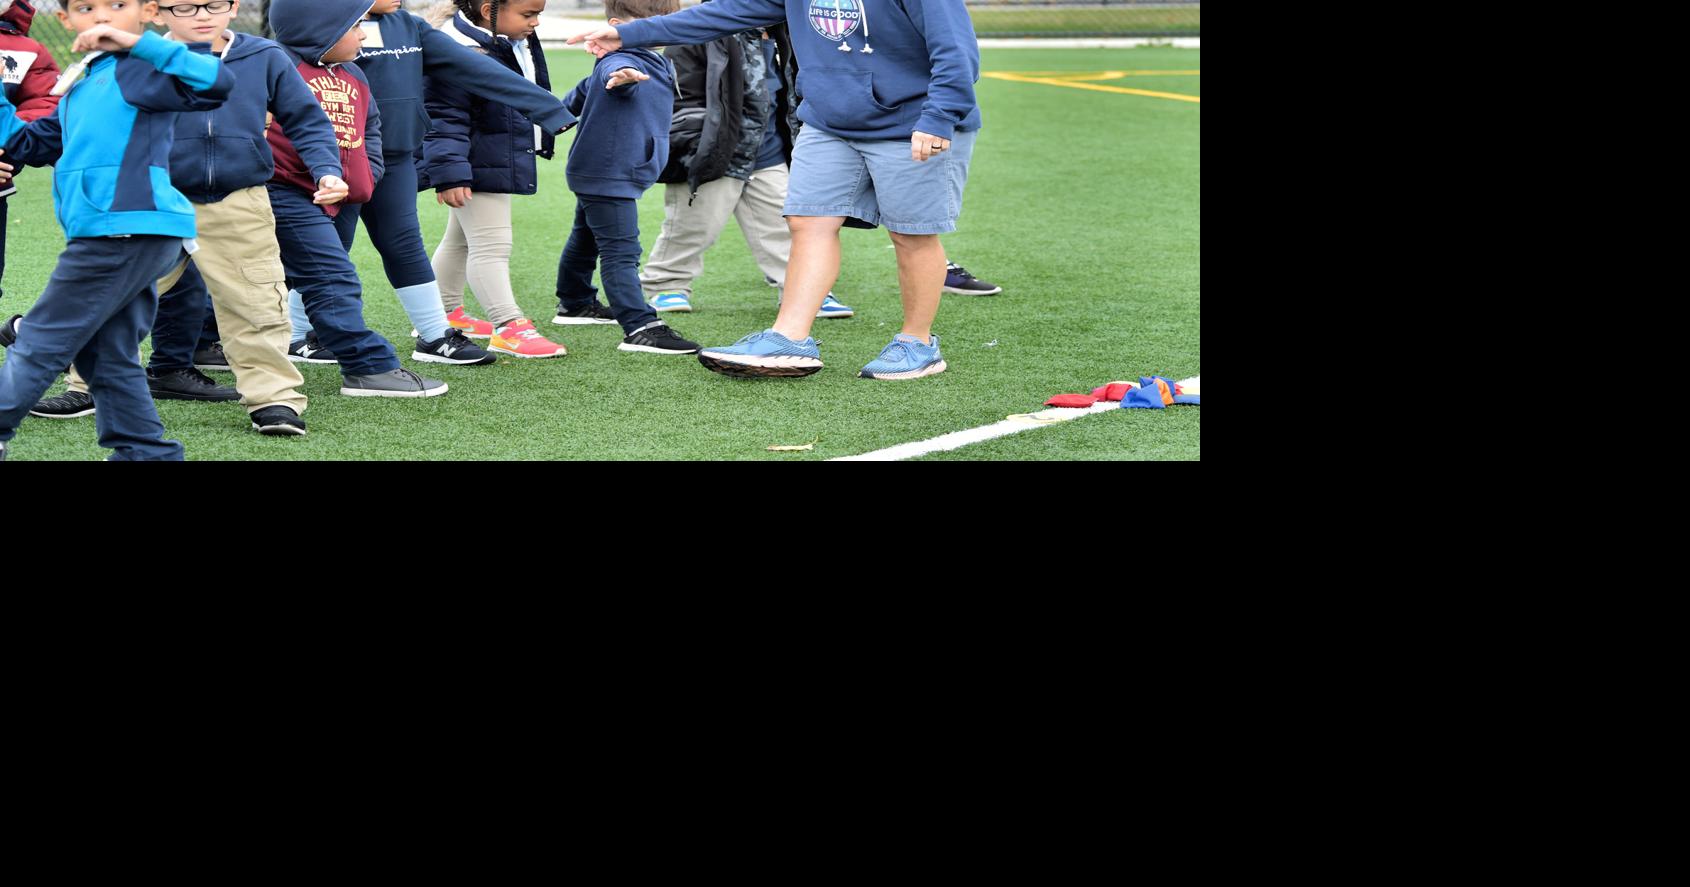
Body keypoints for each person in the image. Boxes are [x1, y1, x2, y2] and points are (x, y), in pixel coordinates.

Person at [571, 0, 981, 380]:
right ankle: (790, 338)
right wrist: (630, 34)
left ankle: (918, 342)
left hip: (914, 120)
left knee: (911, 234)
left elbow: (956, 49)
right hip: (830, 122)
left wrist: (940, 115)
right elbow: (725, 12)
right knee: (807, 221)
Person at [0, 0, 233, 461]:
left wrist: (138, 44)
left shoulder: (141, 67)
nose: (103, 16)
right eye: (87, 7)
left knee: (42, 337)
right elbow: (27, 143)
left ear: (147, 12)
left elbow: (215, 81)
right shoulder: (83, 83)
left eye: (118, 5)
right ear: (65, 20)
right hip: (119, 233)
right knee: (107, 353)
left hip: (126, 230)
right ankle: (146, 452)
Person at [287, 0, 577, 367]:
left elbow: (473, 67)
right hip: (332, 163)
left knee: (404, 244)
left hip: (395, 159)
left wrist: (547, 108)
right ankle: (297, 336)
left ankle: (435, 335)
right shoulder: (319, 20)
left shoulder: (408, 25)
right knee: (330, 249)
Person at [268, 0, 448, 396]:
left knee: (308, 273)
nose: (364, 35)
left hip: (332, 196)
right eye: (355, 26)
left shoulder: (353, 75)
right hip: (282, 191)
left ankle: (196, 348)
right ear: (321, 29)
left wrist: (364, 177)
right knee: (330, 276)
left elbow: (370, 131)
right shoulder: (274, 66)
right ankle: (367, 367)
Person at [639, 18, 853, 320]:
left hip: (768, 151)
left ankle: (803, 290)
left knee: (788, 225)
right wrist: (701, 139)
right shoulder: (700, 30)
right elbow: (678, 96)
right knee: (693, 226)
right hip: (714, 150)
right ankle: (666, 283)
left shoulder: (786, 30)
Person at [420, 0, 569, 358]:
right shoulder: (460, 52)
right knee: (492, 245)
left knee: (461, 242)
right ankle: (508, 326)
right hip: (473, 165)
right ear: (489, 10)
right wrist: (451, 174)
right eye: (529, 15)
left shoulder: (504, 43)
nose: (535, 23)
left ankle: (443, 315)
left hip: (485, 161)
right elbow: (443, 118)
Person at [551, 0, 700, 356]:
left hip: (606, 169)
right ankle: (640, 326)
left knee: (586, 237)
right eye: (651, 23)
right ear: (617, 25)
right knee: (621, 250)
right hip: (608, 171)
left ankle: (574, 303)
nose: (660, 31)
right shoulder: (623, 60)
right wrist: (622, 79)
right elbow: (612, 75)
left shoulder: (651, 59)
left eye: (667, 23)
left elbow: (581, 93)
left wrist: (560, 113)